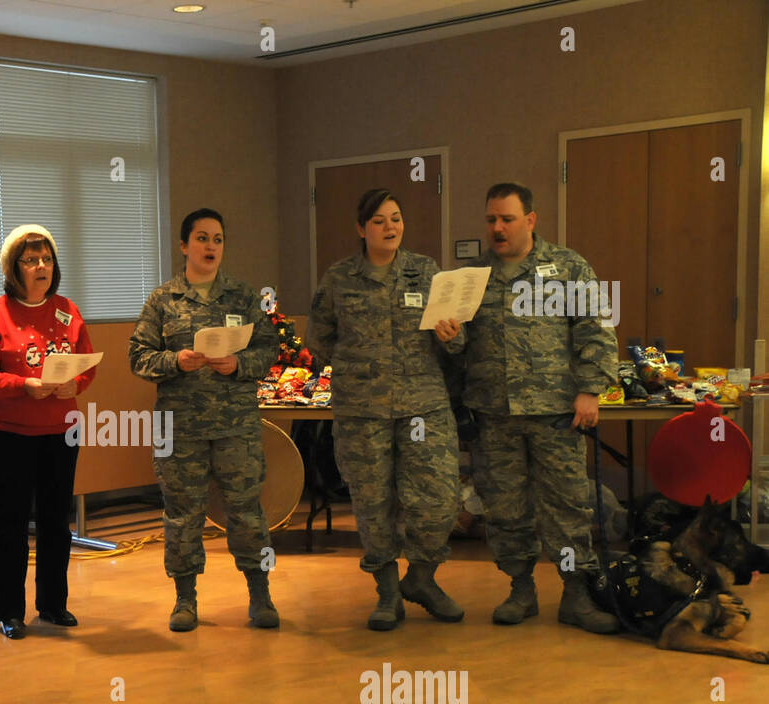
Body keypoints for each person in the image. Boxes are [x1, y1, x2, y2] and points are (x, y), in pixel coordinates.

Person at [462, 182, 618, 633]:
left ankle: (575, 594)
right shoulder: (472, 277)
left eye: (507, 219)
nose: (497, 228)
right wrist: (450, 340)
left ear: (530, 220)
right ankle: (520, 590)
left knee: (567, 506)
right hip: (494, 413)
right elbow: (459, 349)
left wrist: (590, 390)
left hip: (557, 413)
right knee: (505, 508)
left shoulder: (568, 268)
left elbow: (595, 328)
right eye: (491, 219)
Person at [308, 188, 465, 631]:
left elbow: (459, 342)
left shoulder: (426, 272)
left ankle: (420, 578)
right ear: (361, 229)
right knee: (372, 505)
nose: (390, 227)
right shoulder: (338, 279)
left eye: (395, 218)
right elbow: (317, 341)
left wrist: (451, 335)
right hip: (362, 412)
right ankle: (386, 592)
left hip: (424, 408)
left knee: (437, 502)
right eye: (379, 220)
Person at [129, 208, 281, 631]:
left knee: (248, 512)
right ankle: (185, 599)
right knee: (182, 514)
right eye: (201, 238)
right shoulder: (163, 300)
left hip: (237, 428)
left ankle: (260, 594)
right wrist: (175, 359)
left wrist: (239, 363)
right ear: (183, 246)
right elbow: (137, 357)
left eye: (217, 239)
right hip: (180, 430)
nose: (210, 246)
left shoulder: (243, 297)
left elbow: (269, 350)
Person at [0, 225, 96, 639]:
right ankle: (9, 610)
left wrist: (78, 384)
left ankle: (53, 604)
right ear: (13, 268)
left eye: (47, 259)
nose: (41, 266)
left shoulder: (68, 311)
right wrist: (23, 385)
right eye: (31, 260)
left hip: (61, 433)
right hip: (11, 435)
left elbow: (87, 366)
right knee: (11, 524)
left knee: (56, 522)